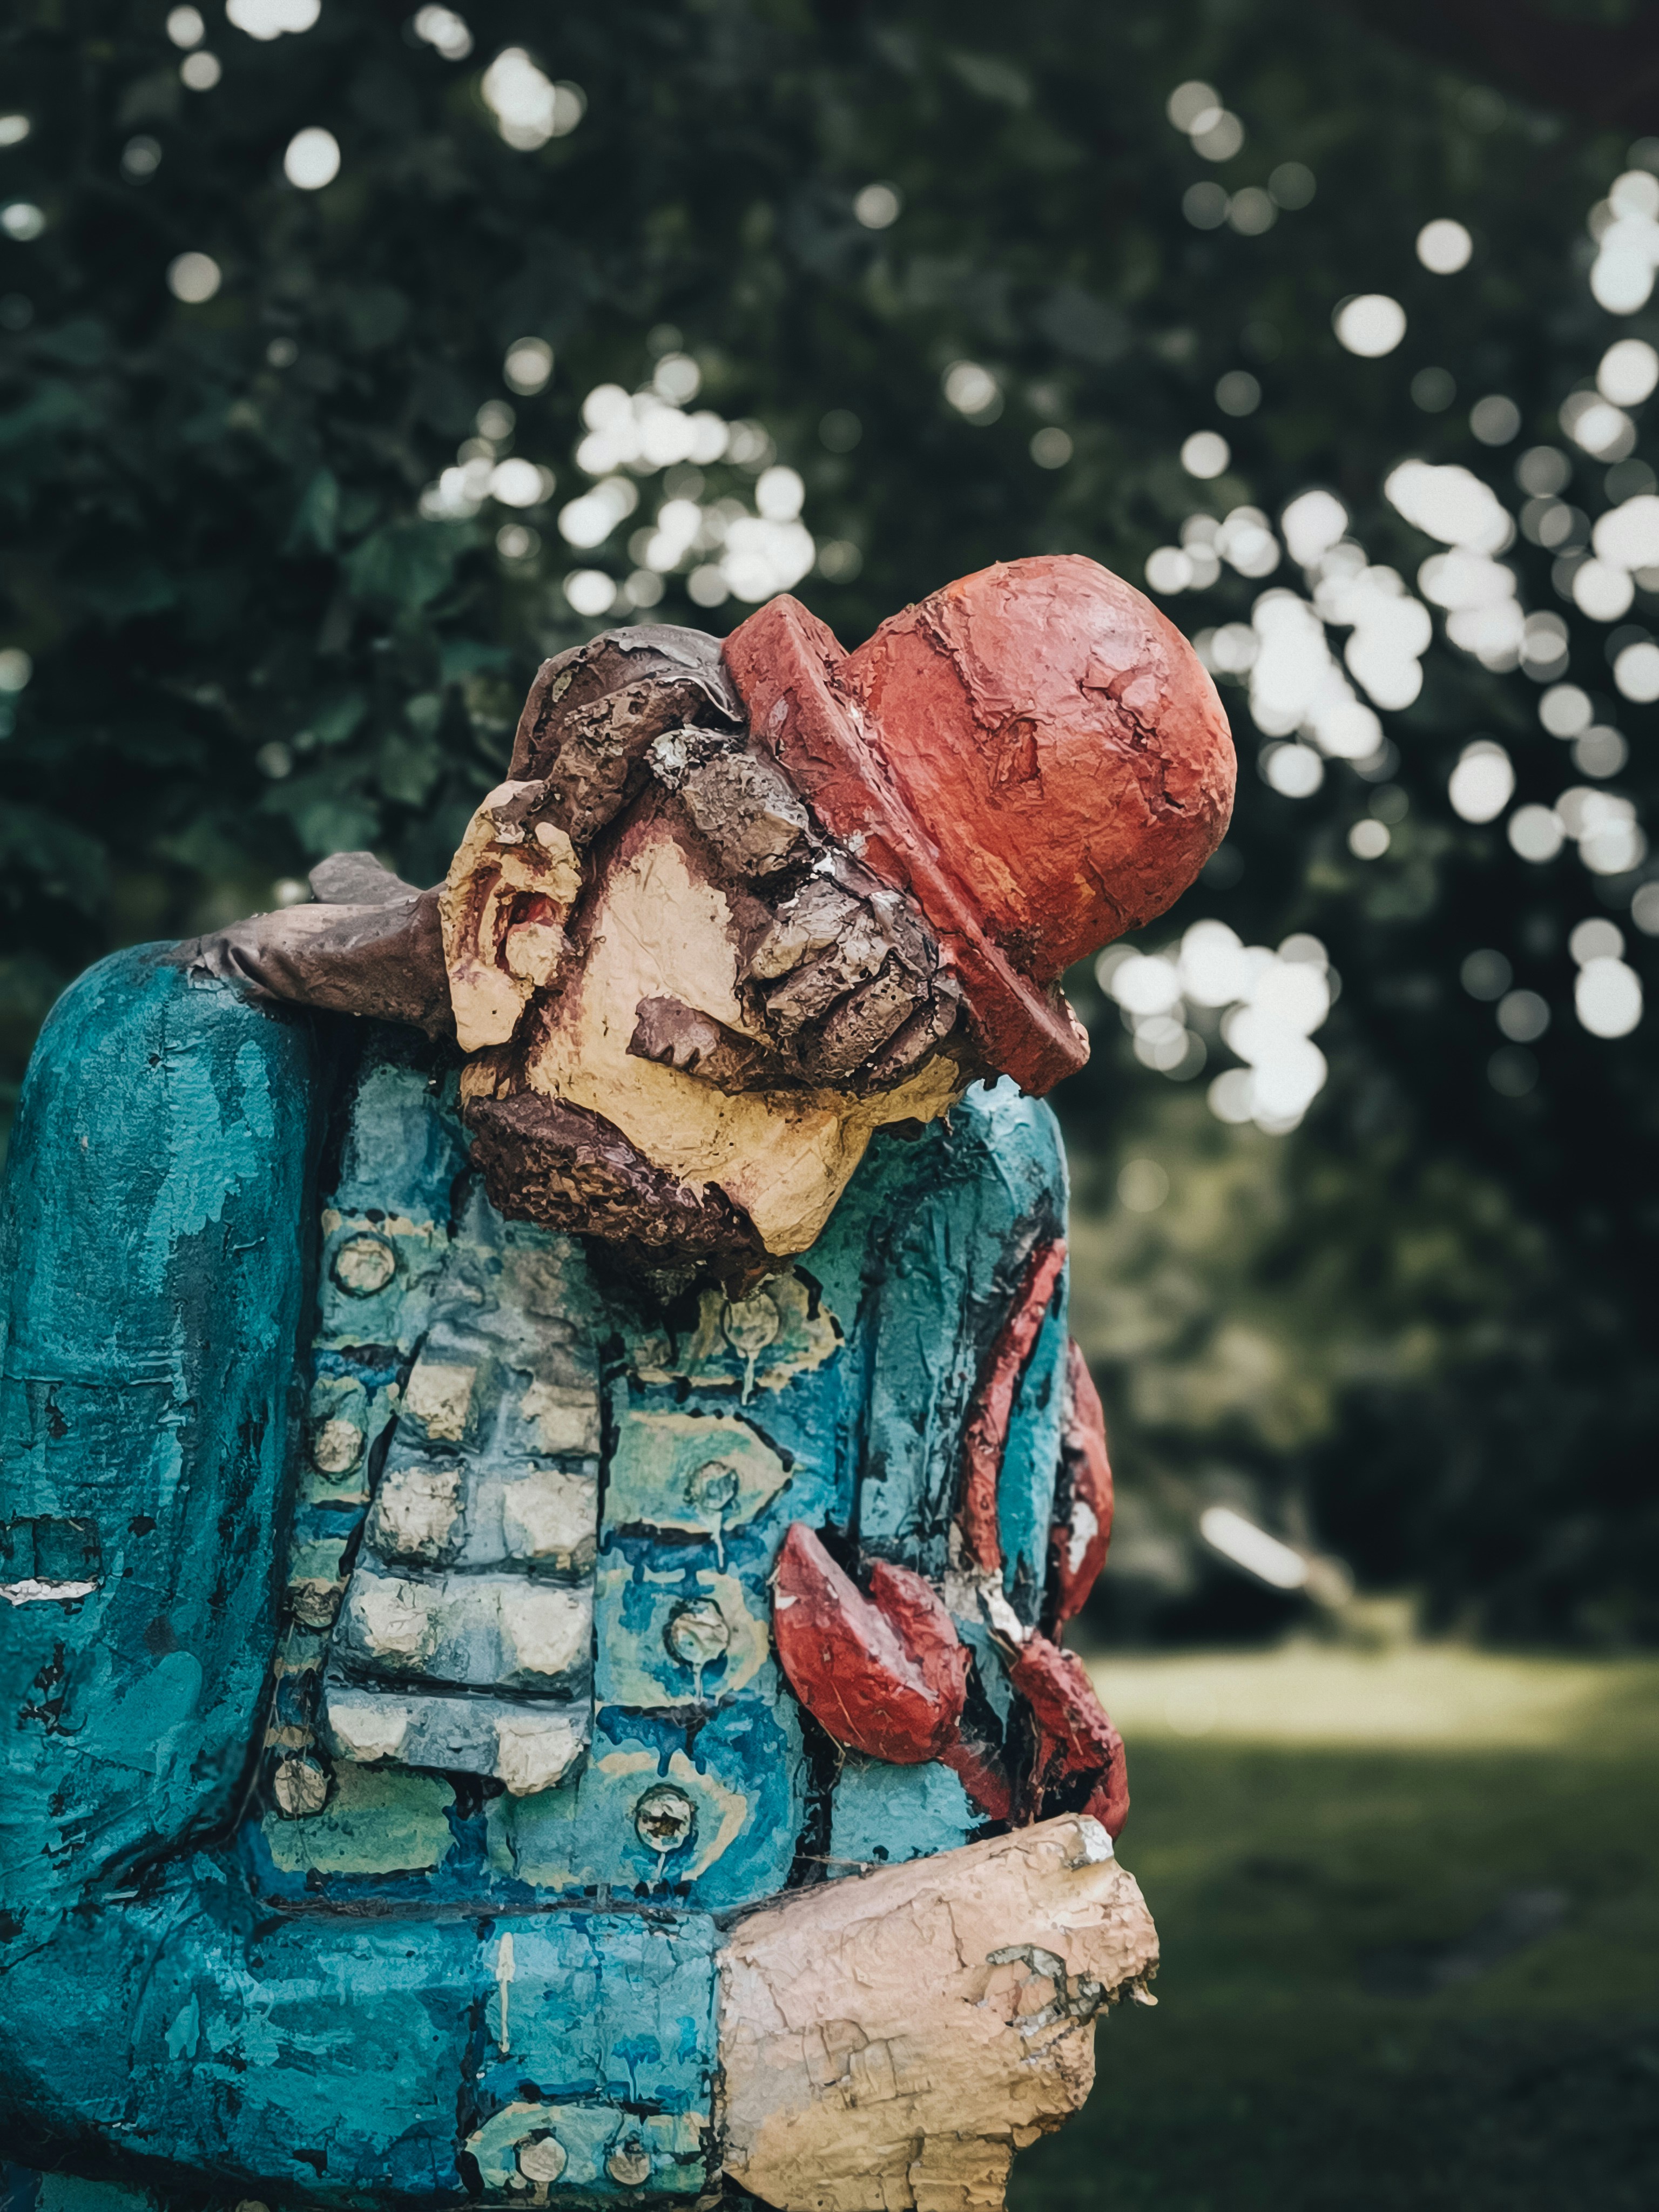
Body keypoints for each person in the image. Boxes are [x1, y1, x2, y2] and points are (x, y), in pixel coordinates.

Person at [0, 556, 1232, 2209]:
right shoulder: (189, 1093)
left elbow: (930, 1865)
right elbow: (51, 1967)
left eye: (866, 1127)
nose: (794, 1201)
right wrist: (708, 2054)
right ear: (526, 906)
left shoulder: (962, 1179)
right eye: (735, 1069)